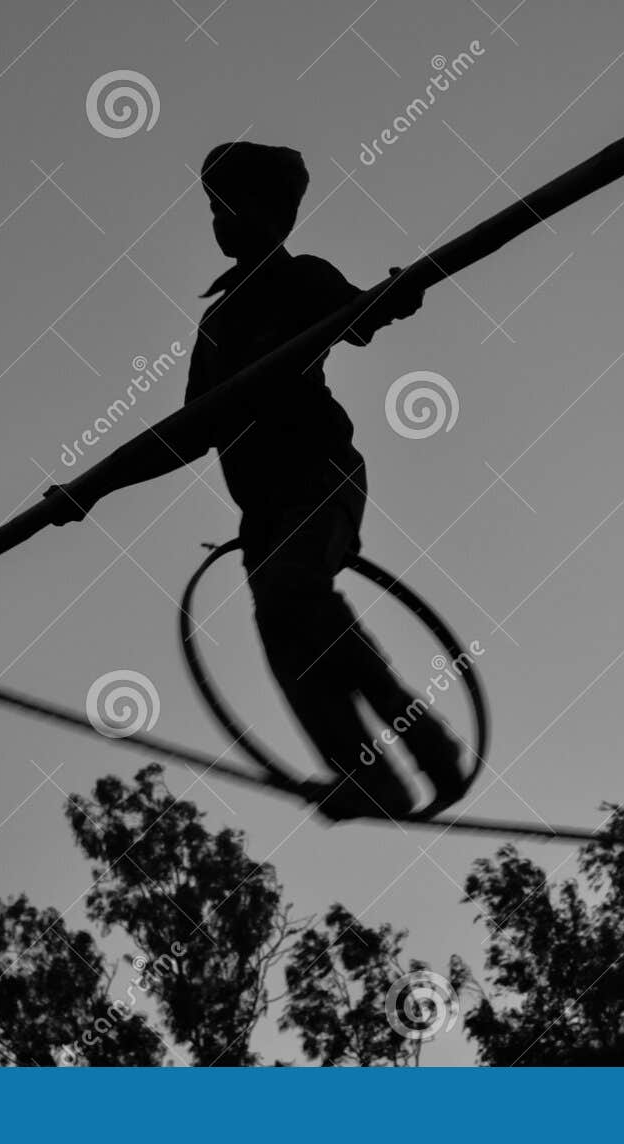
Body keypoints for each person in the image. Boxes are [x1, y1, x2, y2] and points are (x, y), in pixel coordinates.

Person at [46, 141, 467, 820]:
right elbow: (187, 432)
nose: (219, 219)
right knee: (283, 629)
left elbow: (360, 314)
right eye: (213, 207)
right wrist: (93, 486)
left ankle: (428, 742)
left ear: (274, 212)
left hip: (320, 477)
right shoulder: (216, 324)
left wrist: (399, 294)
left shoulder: (302, 279)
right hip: (263, 513)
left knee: (296, 592)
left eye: (231, 205)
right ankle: (368, 773)